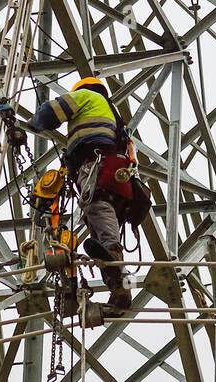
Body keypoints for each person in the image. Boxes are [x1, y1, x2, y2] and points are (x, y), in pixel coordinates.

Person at [29, 76, 139, 310]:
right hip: (119, 181)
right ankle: (118, 287)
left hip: (97, 166)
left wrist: (34, 122)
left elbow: (51, 112)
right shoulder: (116, 119)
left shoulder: (88, 96)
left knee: (96, 207)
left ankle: (112, 254)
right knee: (99, 224)